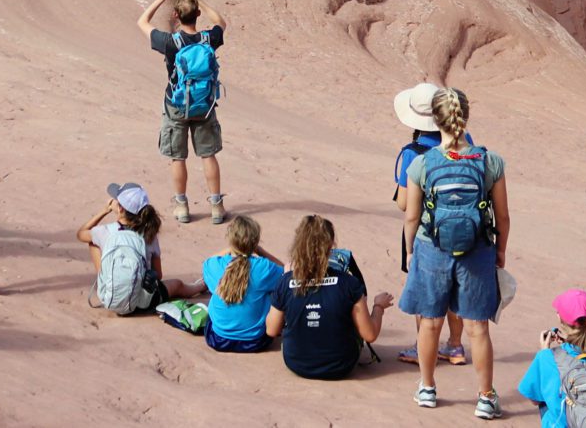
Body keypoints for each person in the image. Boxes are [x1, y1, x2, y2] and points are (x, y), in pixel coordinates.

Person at [400, 87, 510, 418]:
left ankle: (428, 387)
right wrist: (500, 251)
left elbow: (411, 215)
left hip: (432, 248)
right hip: (477, 251)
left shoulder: (421, 163)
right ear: (466, 116)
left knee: (430, 323)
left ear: (435, 120)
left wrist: (410, 252)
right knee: (477, 327)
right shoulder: (490, 161)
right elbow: (502, 216)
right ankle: (486, 397)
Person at [393, 81, 471, 366]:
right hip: (462, 226)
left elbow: (405, 205)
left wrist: (410, 243)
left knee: (423, 288)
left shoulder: (413, 152)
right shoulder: (464, 139)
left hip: (426, 231)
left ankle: (423, 346)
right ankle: (455, 345)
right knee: (455, 286)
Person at [137, 0, 227, 225]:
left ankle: (182, 205)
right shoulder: (209, 39)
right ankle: (216, 206)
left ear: (176, 15)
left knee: (178, 157)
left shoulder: (170, 42)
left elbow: (142, 22)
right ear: (197, 14)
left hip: (176, 106)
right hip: (204, 105)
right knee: (208, 155)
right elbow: (221, 22)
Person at [267, 214, 392, 380]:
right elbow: (370, 335)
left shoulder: (285, 282)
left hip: (297, 363)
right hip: (341, 365)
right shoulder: (349, 284)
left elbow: (271, 330)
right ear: (331, 246)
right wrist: (378, 307)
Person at [81, 182, 195, 314]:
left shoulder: (106, 231)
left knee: (93, 241)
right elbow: (158, 274)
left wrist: (104, 210)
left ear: (120, 208)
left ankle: (108, 278)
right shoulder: (149, 235)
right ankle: (199, 286)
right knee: (177, 285)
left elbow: (81, 233)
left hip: (109, 298)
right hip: (142, 303)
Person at [519, 289, 586, 428]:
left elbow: (533, 398)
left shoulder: (547, 357)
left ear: (559, 318)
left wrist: (544, 352)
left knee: (545, 401)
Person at [201, 214, 284, 353]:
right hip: (255, 341)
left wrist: (230, 249)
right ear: (255, 242)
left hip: (217, 339)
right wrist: (261, 252)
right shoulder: (263, 267)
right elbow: (286, 274)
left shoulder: (215, 265)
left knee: (217, 287)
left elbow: (208, 261)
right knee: (272, 287)